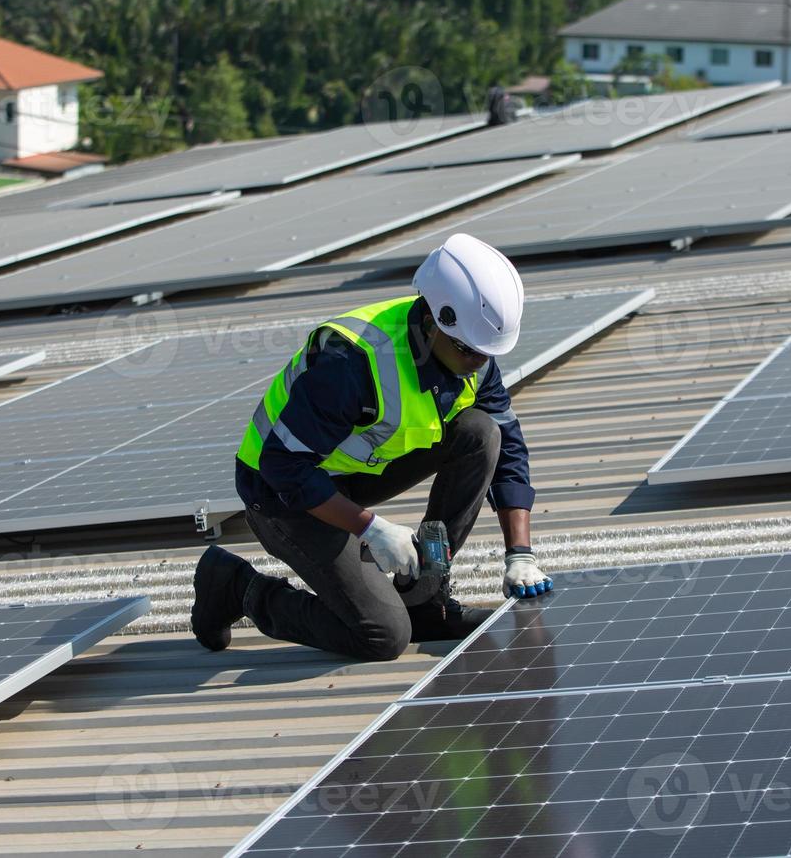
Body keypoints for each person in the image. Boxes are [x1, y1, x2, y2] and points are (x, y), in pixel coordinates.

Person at [191, 233, 554, 661]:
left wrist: (520, 555)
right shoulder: (353, 362)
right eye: (468, 350)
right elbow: (282, 466)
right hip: (281, 493)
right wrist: (370, 528)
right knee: (381, 636)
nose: (479, 361)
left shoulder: (474, 355)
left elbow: (508, 446)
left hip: (352, 473)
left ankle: (426, 601)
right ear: (435, 320)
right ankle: (236, 586)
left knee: (482, 432)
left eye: (487, 353)